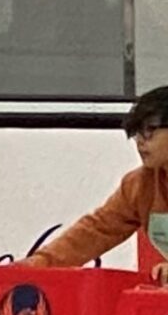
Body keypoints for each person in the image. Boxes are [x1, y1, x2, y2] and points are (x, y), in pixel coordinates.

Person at [20, 86, 168, 281]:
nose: (140, 142)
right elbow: (96, 231)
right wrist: (36, 265)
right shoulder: (138, 185)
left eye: (150, 131)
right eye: (136, 133)